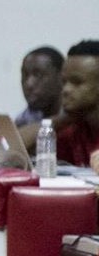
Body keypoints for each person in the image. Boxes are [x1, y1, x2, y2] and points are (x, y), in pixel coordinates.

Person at [49, 40, 99, 170]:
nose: (66, 90)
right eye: (64, 81)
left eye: (76, 82)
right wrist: (61, 119)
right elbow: (13, 154)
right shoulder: (73, 131)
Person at [15, 45, 63, 142]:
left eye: (38, 75)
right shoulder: (28, 116)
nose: (29, 84)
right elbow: (13, 145)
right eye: (25, 75)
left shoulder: (78, 121)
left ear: (62, 77)